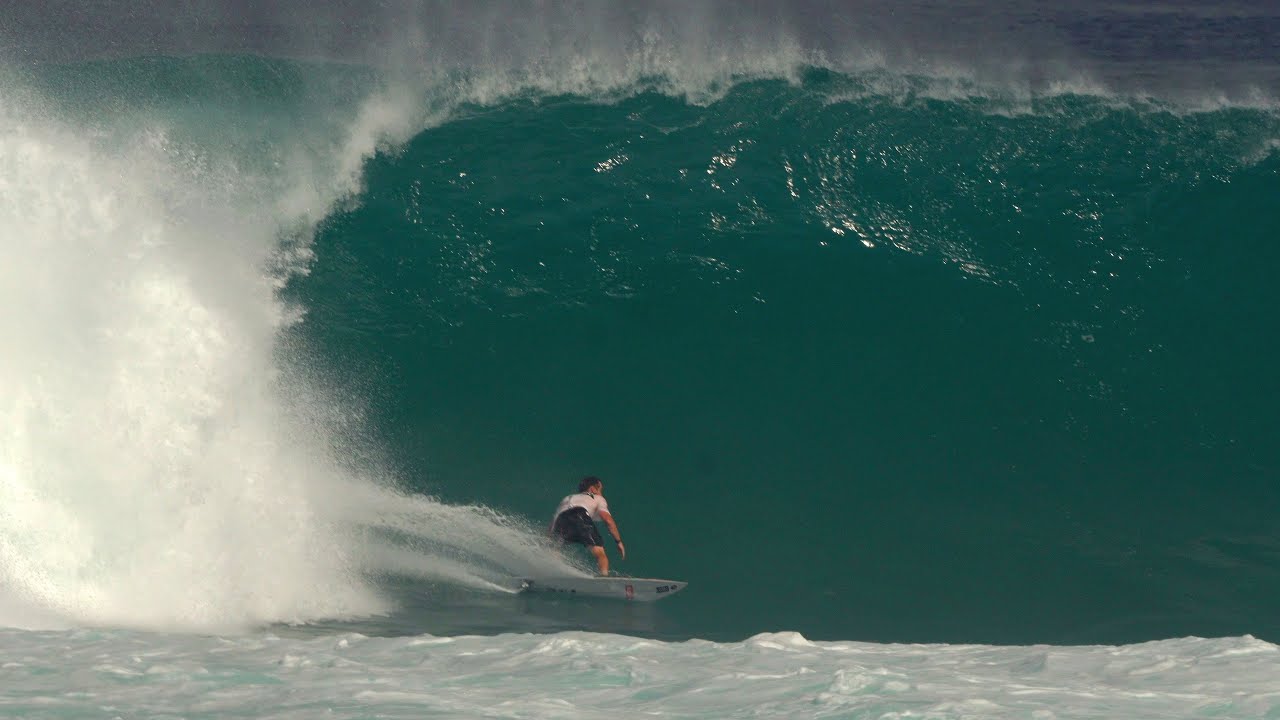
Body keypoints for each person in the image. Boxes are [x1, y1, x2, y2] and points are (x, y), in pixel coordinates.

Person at [549, 476, 625, 575]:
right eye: (600, 489)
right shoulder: (597, 497)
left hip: (561, 520)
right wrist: (618, 541)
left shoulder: (568, 498)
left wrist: (549, 540)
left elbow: (552, 525)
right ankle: (604, 577)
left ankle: (550, 572)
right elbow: (608, 519)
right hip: (579, 515)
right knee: (600, 553)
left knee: (555, 550)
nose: (601, 492)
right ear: (592, 489)